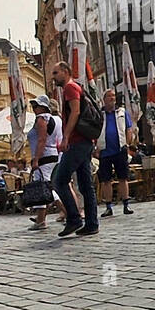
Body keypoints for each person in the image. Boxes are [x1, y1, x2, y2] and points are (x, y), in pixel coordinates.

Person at [50, 61, 99, 237]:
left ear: (65, 71)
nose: (53, 77)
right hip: (85, 141)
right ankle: (92, 224)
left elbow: (76, 112)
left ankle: (74, 219)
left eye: (55, 73)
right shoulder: (75, 87)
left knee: (59, 180)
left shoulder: (70, 88)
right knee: (86, 185)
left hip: (78, 142)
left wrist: (66, 137)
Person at [95, 88, 136, 218]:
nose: (112, 98)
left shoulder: (122, 112)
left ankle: (126, 204)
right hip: (104, 150)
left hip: (120, 149)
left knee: (123, 177)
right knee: (106, 180)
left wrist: (127, 143)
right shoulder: (99, 114)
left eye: (113, 96)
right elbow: (94, 130)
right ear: (104, 99)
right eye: (109, 96)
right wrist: (95, 147)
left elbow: (129, 128)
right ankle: (108, 206)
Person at [27, 95, 63, 231]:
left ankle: (42, 220)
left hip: (44, 156)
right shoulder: (52, 119)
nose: (34, 109)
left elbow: (42, 140)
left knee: (42, 187)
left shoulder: (41, 119)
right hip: (52, 154)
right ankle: (67, 213)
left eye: (36, 106)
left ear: (43, 107)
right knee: (47, 187)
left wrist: (36, 158)